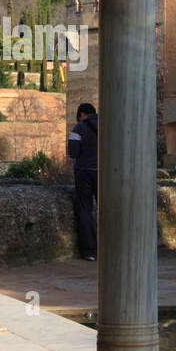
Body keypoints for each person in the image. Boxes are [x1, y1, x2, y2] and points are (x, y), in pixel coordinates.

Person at [67, 103, 98, 261]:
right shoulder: (108, 125)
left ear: (81, 115)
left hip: (84, 172)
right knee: (107, 210)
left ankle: (89, 252)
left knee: (85, 210)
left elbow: (72, 152)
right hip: (105, 172)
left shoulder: (79, 128)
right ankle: (111, 248)